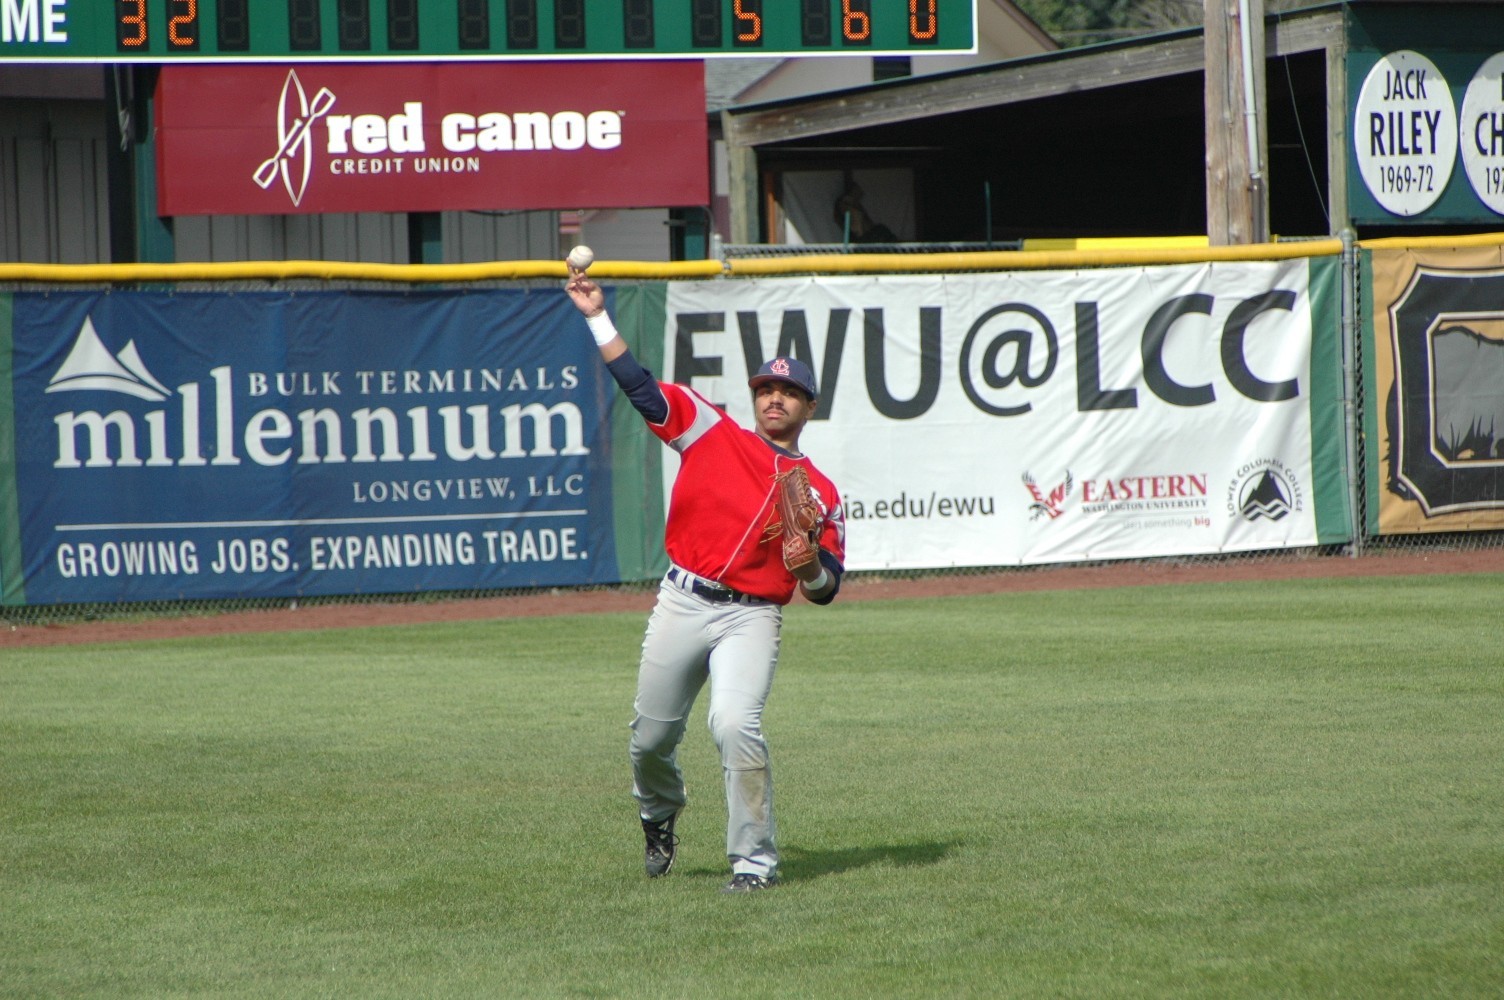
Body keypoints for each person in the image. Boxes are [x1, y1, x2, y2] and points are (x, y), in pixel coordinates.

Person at [565, 261, 846, 893]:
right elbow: (638, 386)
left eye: (789, 392)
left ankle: (754, 866)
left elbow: (828, 585)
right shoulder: (710, 430)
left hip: (752, 615)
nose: (775, 397)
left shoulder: (821, 491)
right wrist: (597, 317)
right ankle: (659, 814)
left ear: (808, 407)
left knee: (734, 724)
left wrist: (809, 571)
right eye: (766, 389)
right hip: (683, 600)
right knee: (650, 739)